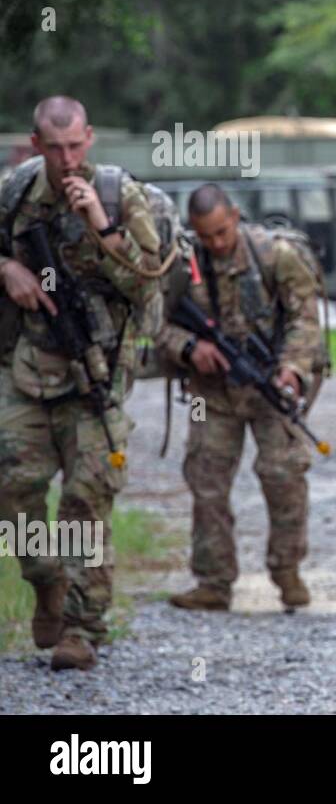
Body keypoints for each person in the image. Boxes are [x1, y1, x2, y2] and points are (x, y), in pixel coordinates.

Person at [0, 96, 161, 670]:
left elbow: (148, 285)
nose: (67, 160)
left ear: (89, 138)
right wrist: (6, 268)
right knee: (12, 491)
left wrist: (103, 225)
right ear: (36, 143)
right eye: (55, 148)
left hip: (96, 373)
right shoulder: (15, 193)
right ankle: (43, 579)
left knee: (85, 500)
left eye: (76, 146)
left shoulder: (120, 196)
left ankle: (80, 627)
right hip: (28, 369)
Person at [160, 183, 323, 612]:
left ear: (234, 216)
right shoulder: (183, 264)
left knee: (283, 474)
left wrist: (292, 369)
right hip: (213, 392)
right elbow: (153, 322)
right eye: (205, 235)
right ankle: (213, 582)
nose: (215, 242)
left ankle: (287, 571)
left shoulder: (275, 256)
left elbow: (305, 320)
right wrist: (191, 349)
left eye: (221, 232)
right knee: (207, 480)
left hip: (270, 383)